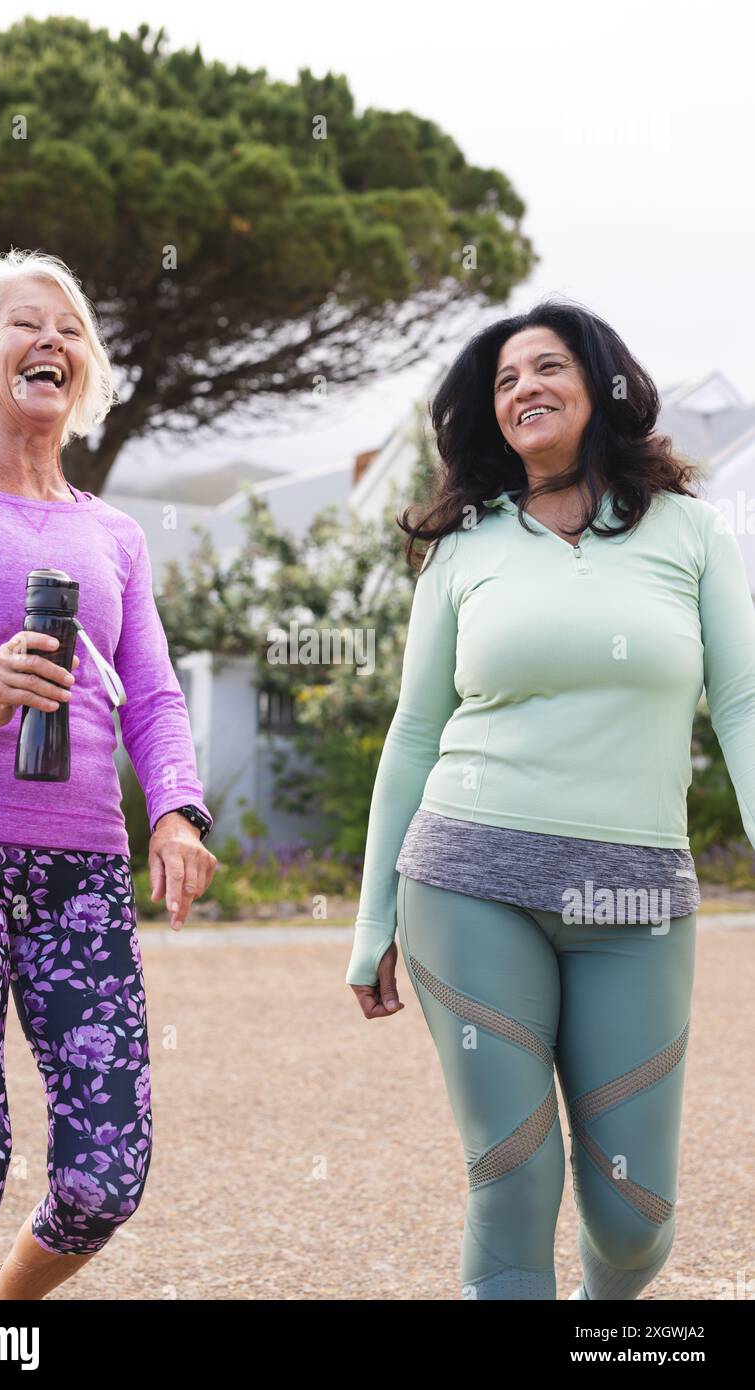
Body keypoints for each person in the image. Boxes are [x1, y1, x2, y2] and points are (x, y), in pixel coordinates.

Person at [345, 298, 755, 1300]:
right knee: (513, 1177)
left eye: (547, 366)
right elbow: (414, 733)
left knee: (633, 1218)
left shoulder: (692, 532)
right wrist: (371, 921)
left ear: (600, 384)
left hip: (636, 899)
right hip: (466, 882)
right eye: (504, 379)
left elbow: (743, 704)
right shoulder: (464, 546)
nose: (524, 386)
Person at [0, 249, 218, 1301]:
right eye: (25, 323)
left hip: (81, 869)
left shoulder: (112, 534)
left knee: (105, 1174)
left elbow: (153, 695)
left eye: (70, 328)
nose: (51, 341)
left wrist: (175, 812)